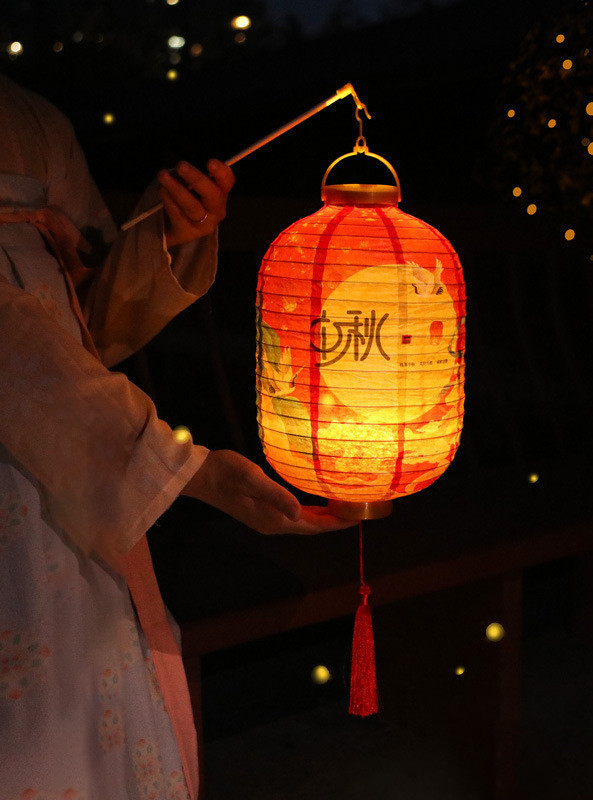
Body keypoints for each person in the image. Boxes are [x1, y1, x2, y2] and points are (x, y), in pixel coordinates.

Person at [0, 74, 352, 800]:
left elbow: (85, 321)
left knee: (84, 696)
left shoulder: (34, 116)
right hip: (69, 460)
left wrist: (164, 233)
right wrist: (191, 472)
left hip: (76, 473)